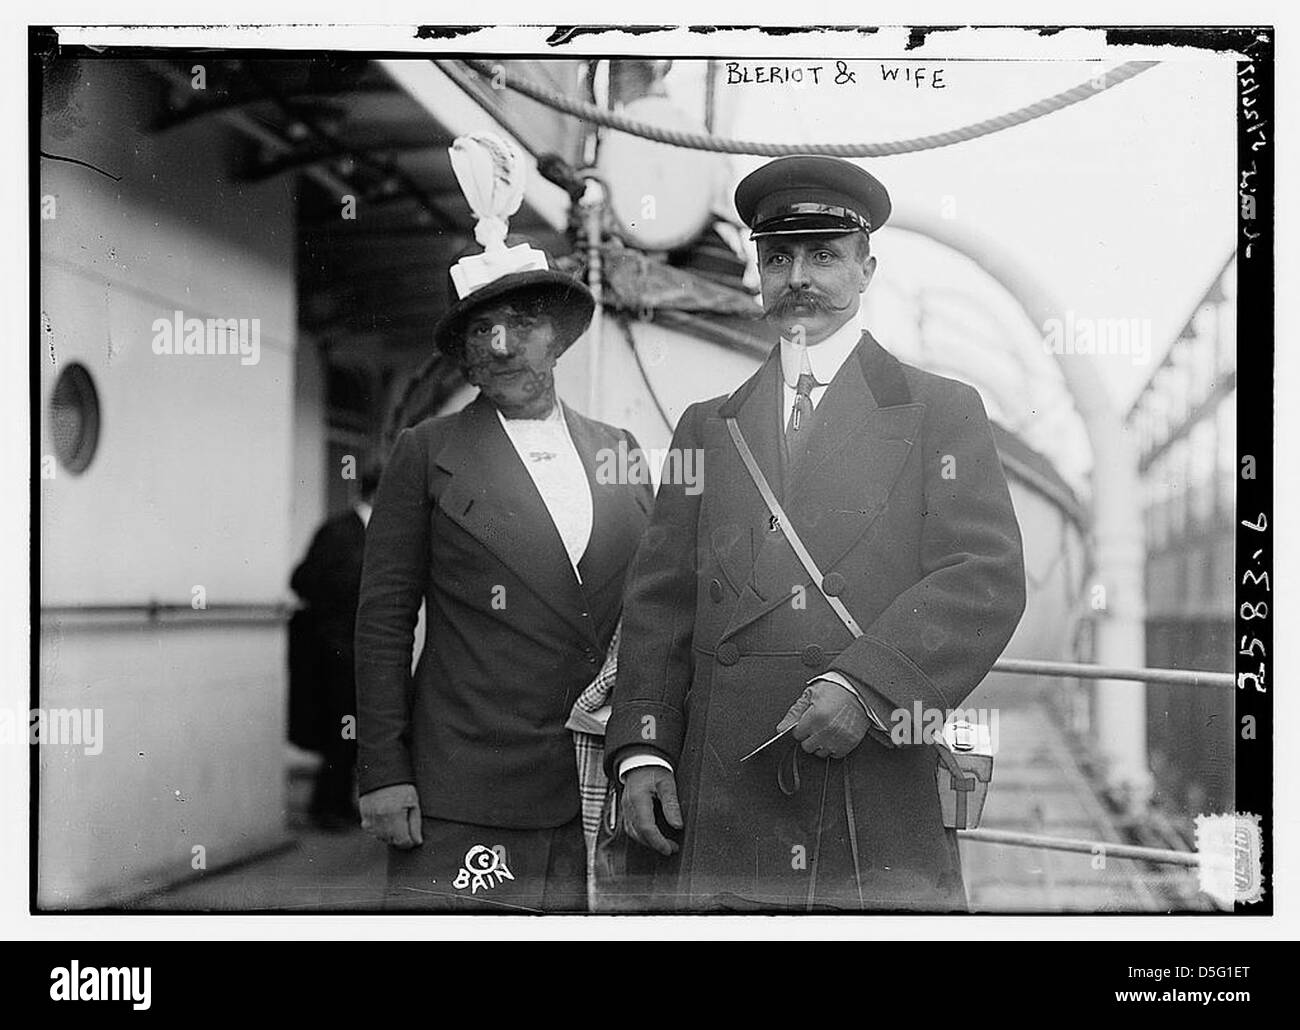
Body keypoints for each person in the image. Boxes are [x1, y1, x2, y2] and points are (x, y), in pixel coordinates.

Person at [604, 155, 1027, 911]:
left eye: (824, 255)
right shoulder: (710, 425)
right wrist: (641, 747)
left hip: (862, 774)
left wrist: (865, 687)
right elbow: (661, 603)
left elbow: (984, 574)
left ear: (867, 268)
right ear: (759, 273)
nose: (798, 276)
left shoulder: (938, 410)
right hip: (722, 783)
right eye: (778, 257)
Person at [353, 165, 651, 910]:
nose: (502, 344)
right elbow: (384, 622)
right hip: (469, 788)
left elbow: (655, 611)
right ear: (464, 356)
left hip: (599, 783)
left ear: (556, 334)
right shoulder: (427, 452)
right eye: (481, 330)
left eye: (521, 324)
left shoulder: (619, 448)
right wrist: (383, 771)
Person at [289, 467, 379, 830]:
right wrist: (335, 627)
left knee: (351, 730)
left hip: (356, 648)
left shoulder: (371, 532)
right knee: (339, 729)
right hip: (335, 651)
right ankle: (326, 806)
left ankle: (339, 803)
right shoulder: (340, 531)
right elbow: (303, 580)